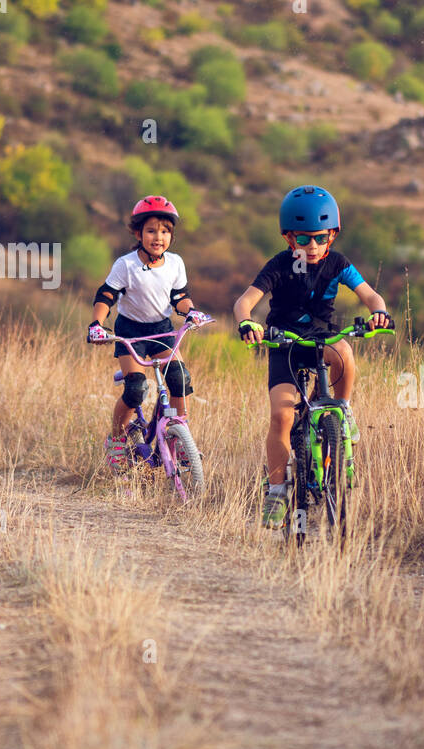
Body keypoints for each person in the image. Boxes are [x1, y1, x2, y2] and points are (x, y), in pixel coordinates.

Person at [233, 185, 394, 527]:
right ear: (289, 239)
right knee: (281, 416)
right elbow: (244, 301)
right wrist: (247, 321)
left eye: (320, 238)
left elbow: (370, 295)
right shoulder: (278, 265)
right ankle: (276, 490)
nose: (313, 247)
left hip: (322, 336)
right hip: (284, 342)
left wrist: (378, 313)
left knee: (345, 353)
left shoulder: (337, 264)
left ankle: (344, 410)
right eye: (303, 239)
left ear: (332, 235)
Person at [87, 196, 210, 470]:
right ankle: (117, 441)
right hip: (130, 332)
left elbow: (180, 296)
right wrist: (96, 324)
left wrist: (190, 311)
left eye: (165, 231)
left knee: (179, 378)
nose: (159, 237)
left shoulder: (176, 263)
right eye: (152, 230)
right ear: (138, 233)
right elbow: (106, 295)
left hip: (161, 330)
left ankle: (180, 438)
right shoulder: (126, 265)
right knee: (136, 389)